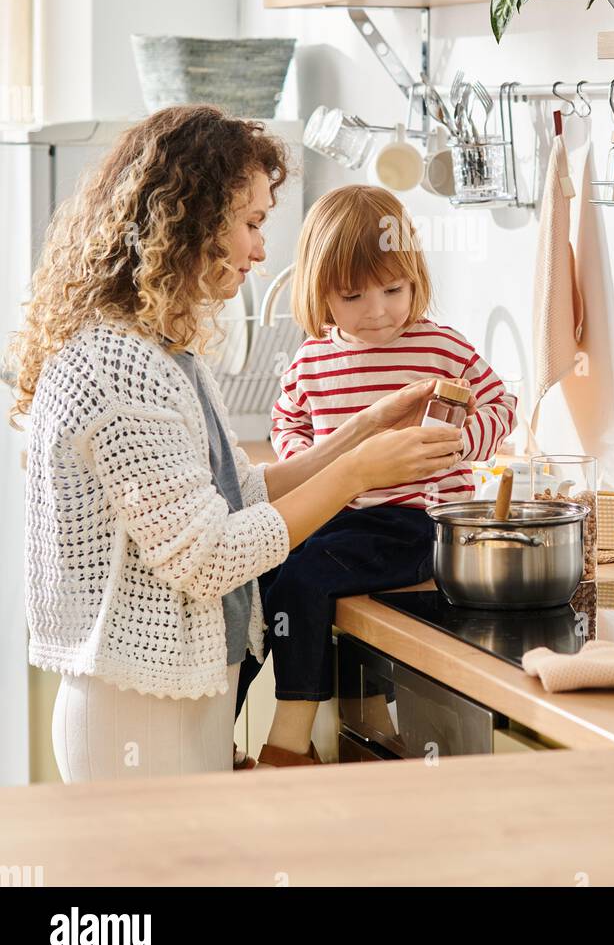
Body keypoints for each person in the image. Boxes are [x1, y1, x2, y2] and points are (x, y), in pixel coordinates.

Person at [8, 107, 461, 782]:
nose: (259, 250)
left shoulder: (163, 354)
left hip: (176, 708)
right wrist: (357, 471)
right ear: (188, 224)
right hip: (138, 722)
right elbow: (211, 555)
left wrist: (361, 431)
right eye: (250, 224)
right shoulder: (117, 369)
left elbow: (237, 497)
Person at [238, 184, 516, 767]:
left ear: (415, 278)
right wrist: (310, 457)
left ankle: (288, 741)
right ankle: (221, 724)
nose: (378, 310)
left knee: (305, 579)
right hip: (338, 518)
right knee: (259, 580)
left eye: (394, 289)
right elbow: (288, 424)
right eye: (353, 295)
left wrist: (460, 443)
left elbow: (501, 405)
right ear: (320, 294)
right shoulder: (312, 358)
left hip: (417, 524)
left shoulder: (440, 347)